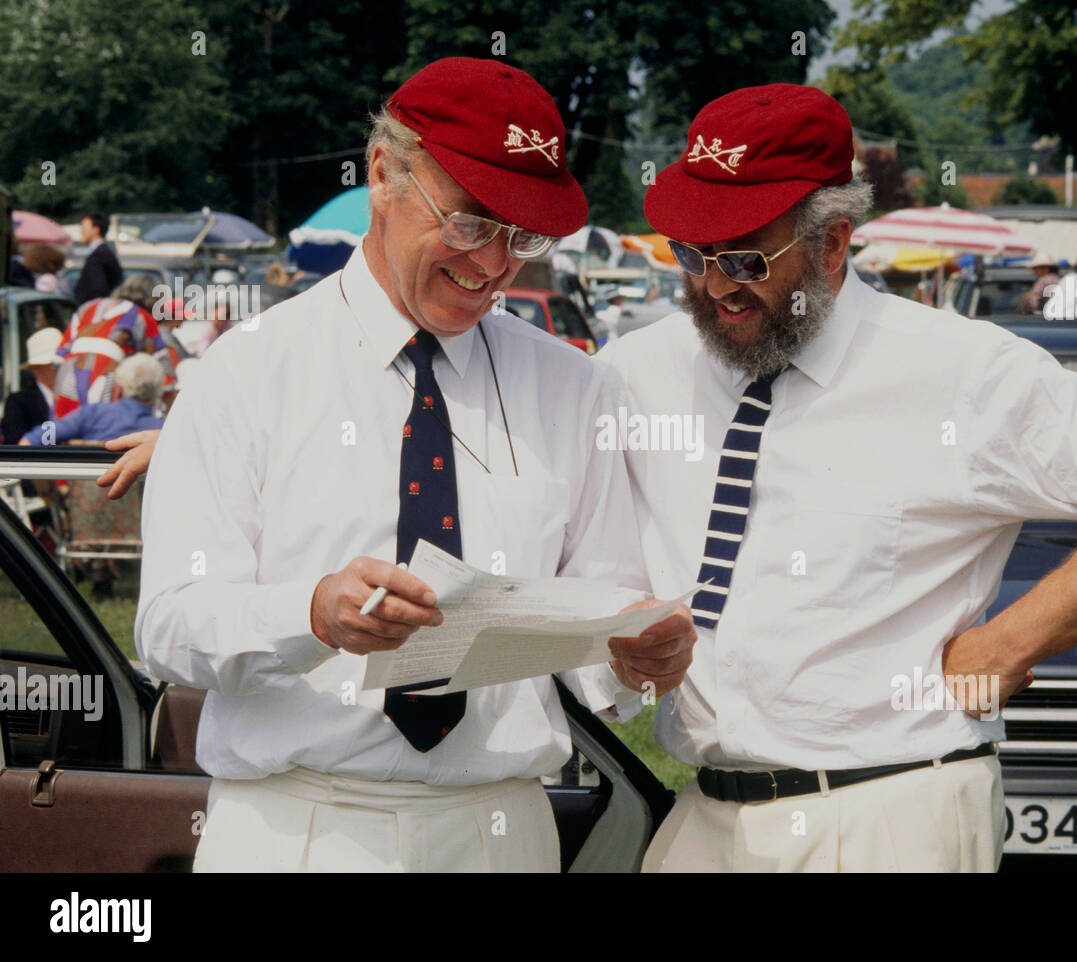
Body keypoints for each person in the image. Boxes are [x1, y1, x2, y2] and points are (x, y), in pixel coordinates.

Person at [597, 83, 1077, 872]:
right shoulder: (640, 369)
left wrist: (1009, 643)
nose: (713, 286)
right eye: (690, 256)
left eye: (744, 259)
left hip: (889, 814)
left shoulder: (960, 372)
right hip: (709, 814)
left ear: (832, 245)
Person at [135, 57, 695, 873]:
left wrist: (637, 655)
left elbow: (603, 619)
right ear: (383, 175)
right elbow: (168, 624)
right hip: (298, 828)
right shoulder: (247, 371)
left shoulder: (576, 387)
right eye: (470, 221)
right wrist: (314, 615)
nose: (495, 263)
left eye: (524, 234)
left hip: (499, 830)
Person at [53, 274, 163, 417]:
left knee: (64, 425)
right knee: (102, 427)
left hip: (69, 371)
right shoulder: (144, 318)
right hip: (107, 374)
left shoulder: (87, 307)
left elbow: (60, 354)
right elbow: (157, 366)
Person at [20, 353, 164, 446]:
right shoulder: (164, 429)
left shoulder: (94, 414)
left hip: (90, 489)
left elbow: (34, 439)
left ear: (118, 386)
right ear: (158, 390)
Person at [2, 328, 62, 444]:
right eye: (54, 364)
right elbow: (15, 445)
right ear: (37, 367)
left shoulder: (77, 398)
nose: (62, 368)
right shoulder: (19, 402)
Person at [73, 213, 123, 304]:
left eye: (84, 228)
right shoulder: (105, 252)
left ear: (96, 230)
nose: (81, 232)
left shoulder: (98, 256)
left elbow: (97, 289)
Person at [1015, 250, 1059, 315]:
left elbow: (1034, 304)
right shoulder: (1058, 279)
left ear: (1045, 269)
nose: (1034, 272)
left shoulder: (1043, 281)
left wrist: (1027, 298)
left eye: (1035, 268)